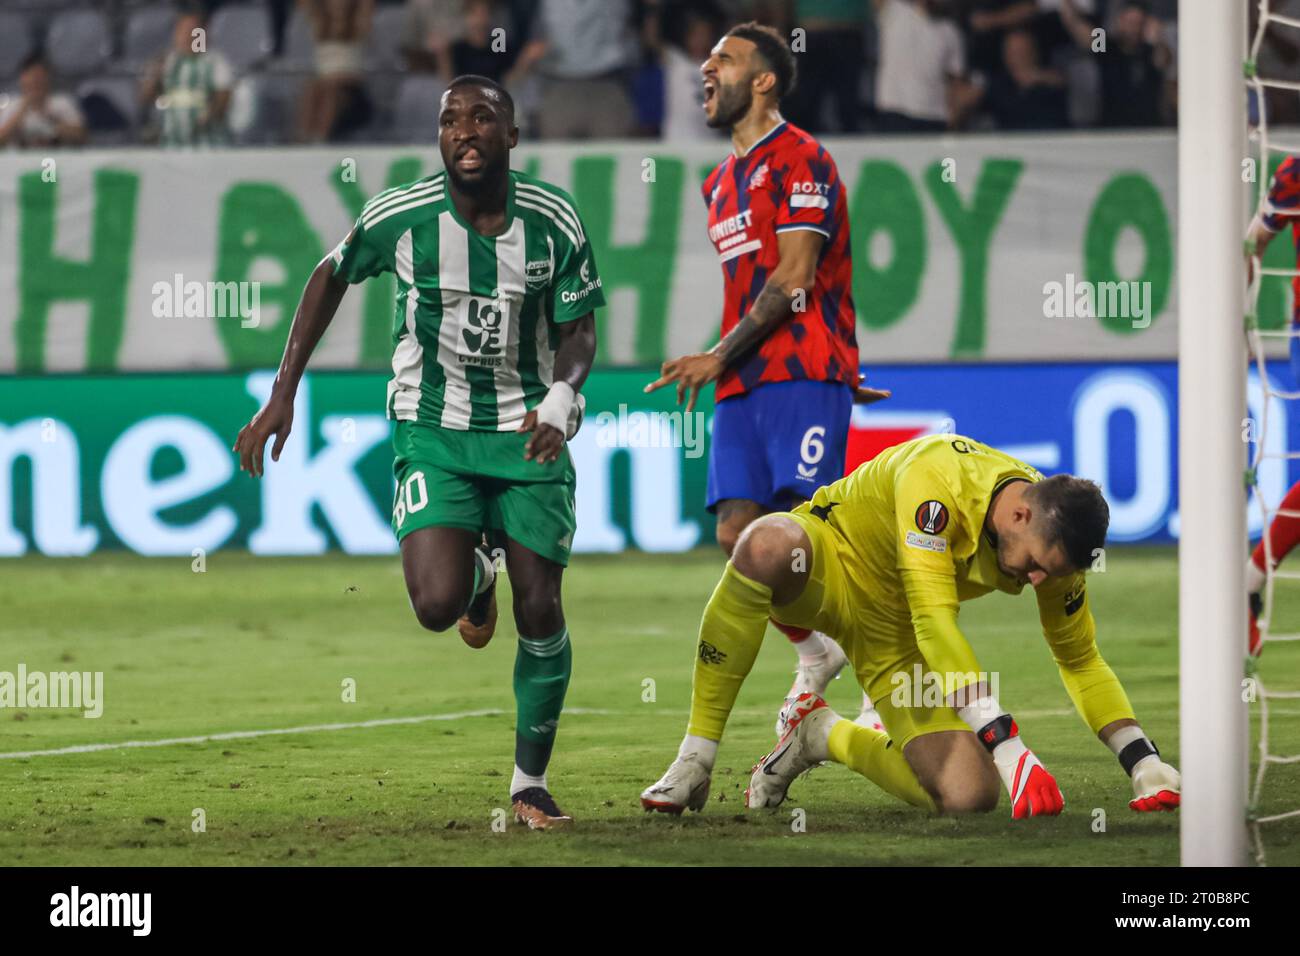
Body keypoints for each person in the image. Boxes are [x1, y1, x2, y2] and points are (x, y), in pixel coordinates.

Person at [233, 75, 604, 830]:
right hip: (431, 428)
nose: (464, 130)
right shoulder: (400, 216)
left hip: (526, 427)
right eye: (449, 120)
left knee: (543, 607)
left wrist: (565, 397)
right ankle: (476, 580)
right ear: (438, 139)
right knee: (436, 608)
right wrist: (282, 390)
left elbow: (579, 328)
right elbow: (327, 276)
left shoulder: (554, 219)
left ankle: (529, 783)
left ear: (511, 137)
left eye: (482, 118)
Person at [641, 434, 1182, 818]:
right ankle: (695, 759)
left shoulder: (1054, 548)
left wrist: (1143, 761)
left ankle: (818, 734)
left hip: (891, 634)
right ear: (1019, 516)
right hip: (829, 565)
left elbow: (1079, 658)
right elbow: (934, 620)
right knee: (764, 543)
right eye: (1039, 564)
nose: (1040, 580)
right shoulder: (939, 478)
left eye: (1051, 573)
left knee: (969, 795)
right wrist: (1009, 747)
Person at [645, 22, 889, 740]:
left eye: (724, 59)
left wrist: (822, 365)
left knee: (807, 532)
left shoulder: (803, 158)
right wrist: (733, 361)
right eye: (707, 59)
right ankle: (818, 651)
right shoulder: (718, 182)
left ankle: (885, 674)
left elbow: (796, 276)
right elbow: (754, 285)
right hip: (749, 382)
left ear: (764, 81)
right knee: (736, 535)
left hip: (799, 371)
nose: (705, 68)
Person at [1245, 155, 1300, 657]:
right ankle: (1252, 575)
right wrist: (1235, 316)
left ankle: (1252, 575)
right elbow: (1252, 243)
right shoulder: (1294, 172)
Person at [1059, 0, 1170, 128]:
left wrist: (1159, 38)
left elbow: (1163, 62)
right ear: (1119, 21)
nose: (1133, 29)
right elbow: (1074, 23)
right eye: (1129, 22)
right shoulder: (1107, 46)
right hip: (1113, 127)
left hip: (1148, 126)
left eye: (1138, 23)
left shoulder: (1151, 51)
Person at [871, 0, 973, 133]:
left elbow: (955, 81)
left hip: (935, 116)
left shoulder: (950, 31)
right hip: (895, 111)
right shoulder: (895, 12)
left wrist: (954, 116)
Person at [141, 7, 234, 148]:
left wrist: (209, 116)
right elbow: (145, 97)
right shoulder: (167, 61)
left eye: (193, 31)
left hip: (207, 140)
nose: (187, 36)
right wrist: (155, 74)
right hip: (171, 139)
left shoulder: (215, 62)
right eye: (183, 31)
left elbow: (223, 97)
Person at [297, 0, 374, 143]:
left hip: (350, 89)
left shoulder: (358, 24)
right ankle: (303, 138)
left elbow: (367, 5)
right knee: (312, 87)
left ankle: (321, 137)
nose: (338, 3)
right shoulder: (320, 23)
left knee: (330, 90)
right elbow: (304, 4)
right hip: (323, 85)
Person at [0, 54, 86, 149]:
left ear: (48, 79)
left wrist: (51, 118)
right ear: (22, 79)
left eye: (39, 77)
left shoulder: (62, 103)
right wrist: (22, 110)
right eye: (31, 76)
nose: (36, 81)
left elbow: (82, 137)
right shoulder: (12, 105)